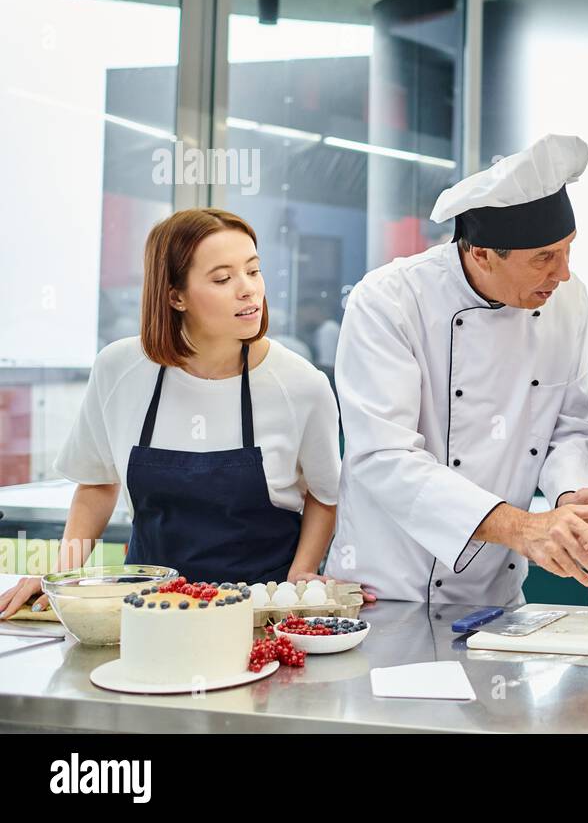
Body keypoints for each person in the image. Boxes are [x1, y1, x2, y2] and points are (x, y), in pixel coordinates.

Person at [323, 135, 588, 604]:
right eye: (544, 258)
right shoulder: (390, 301)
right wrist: (523, 527)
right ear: (481, 253)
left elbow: (566, 428)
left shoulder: (568, 301)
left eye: (568, 250)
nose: (563, 273)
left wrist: (570, 497)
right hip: (387, 590)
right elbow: (385, 457)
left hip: (495, 595)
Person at [1, 209, 345, 618]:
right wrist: (60, 578)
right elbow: (96, 484)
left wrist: (300, 575)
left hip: (258, 618)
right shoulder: (119, 369)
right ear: (174, 295)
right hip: (146, 613)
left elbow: (325, 496)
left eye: (253, 271)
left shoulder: (301, 384)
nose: (248, 290)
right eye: (223, 279)